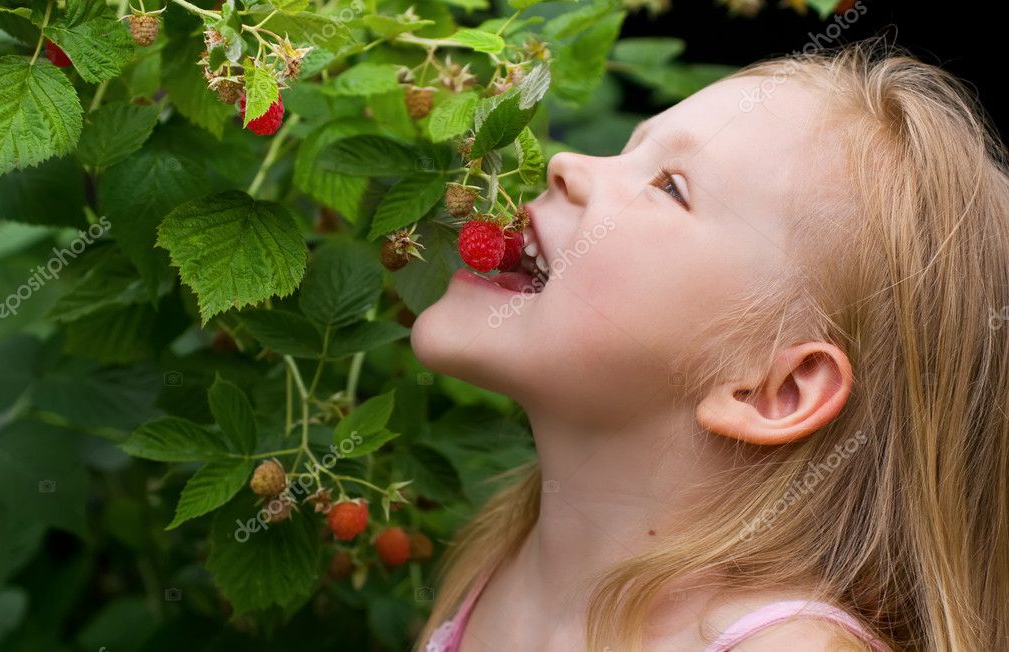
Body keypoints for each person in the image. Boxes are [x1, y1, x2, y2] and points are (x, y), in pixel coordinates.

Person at [409, 37, 1009, 651]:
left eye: (669, 186)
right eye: (625, 150)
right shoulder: (495, 571)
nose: (568, 163)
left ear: (776, 389)